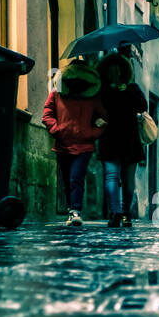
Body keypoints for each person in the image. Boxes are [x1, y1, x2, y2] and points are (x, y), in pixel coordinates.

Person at [42, 59, 107, 226]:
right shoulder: (57, 93)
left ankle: (75, 210)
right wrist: (58, 130)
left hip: (84, 145)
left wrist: (91, 134)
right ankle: (72, 210)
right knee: (67, 180)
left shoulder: (92, 96)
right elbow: (47, 113)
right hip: (63, 144)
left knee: (75, 178)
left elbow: (103, 118)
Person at [97, 50, 148, 228]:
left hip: (124, 141)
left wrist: (128, 92)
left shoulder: (130, 89)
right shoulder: (104, 91)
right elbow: (96, 112)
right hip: (117, 140)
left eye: (116, 71)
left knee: (121, 181)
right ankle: (119, 213)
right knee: (118, 179)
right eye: (112, 71)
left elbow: (143, 106)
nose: (115, 74)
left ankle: (121, 212)